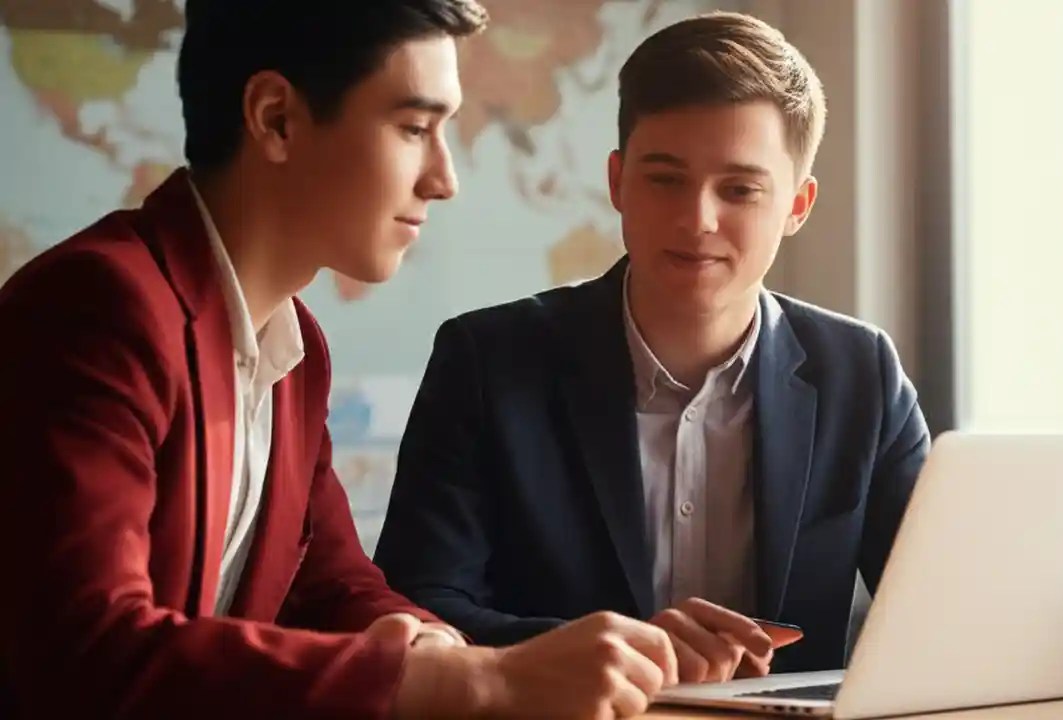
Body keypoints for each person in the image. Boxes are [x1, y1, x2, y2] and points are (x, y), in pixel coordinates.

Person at [0, 1, 677, 718]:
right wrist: (483, 685)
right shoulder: (101, 306)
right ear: (276, 119)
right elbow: (85, 651)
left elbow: (328, 585)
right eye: (415, 128)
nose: (444, 178)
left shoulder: (294, 347)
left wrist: (443, 649)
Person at [375, 10, 930, 680]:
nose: (697, 219)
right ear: (617, 184)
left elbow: (945, 605)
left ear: (797, 206)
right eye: (665, 178)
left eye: (740, 190)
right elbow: (419, 607)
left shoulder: (861, 375)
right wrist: (624, 652)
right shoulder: (488, 361)